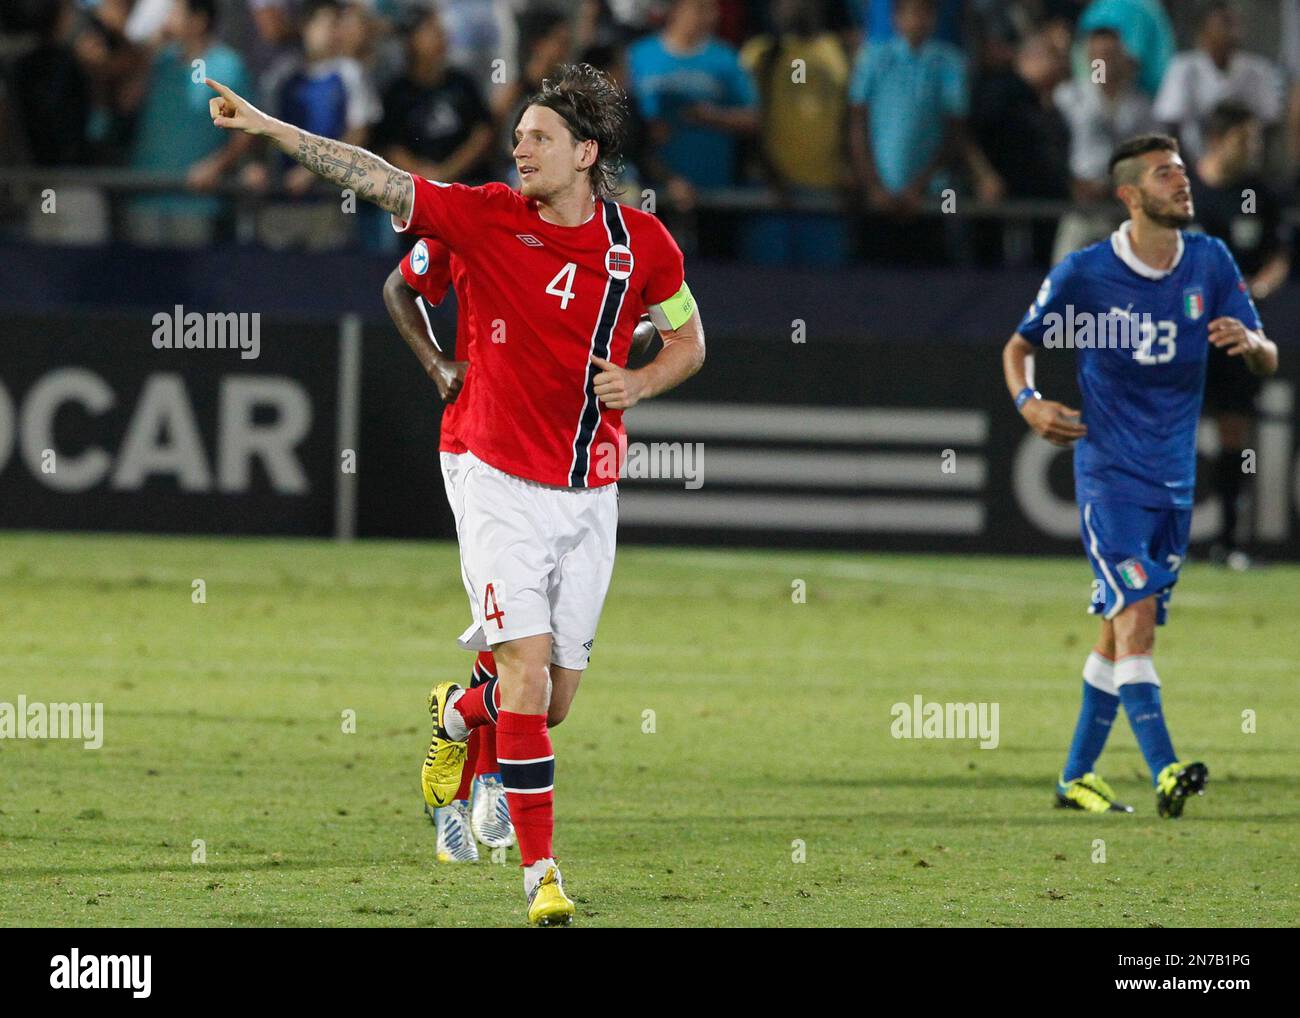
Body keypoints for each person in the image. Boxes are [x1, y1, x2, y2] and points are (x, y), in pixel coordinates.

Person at [205, 62, 706, 925]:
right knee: (525, 674)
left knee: (551, 703)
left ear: (586, 154)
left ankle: (454, 714)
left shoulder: (645, 248)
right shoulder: (483, 217)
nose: (521, 151)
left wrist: (641, 381)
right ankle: (542, 875)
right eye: (517, 139)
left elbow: (690, 340)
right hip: (491, 468)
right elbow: (377, 177)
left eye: (539, 139)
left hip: (588, 488)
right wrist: (270, 127)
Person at [1002, 133, 1277, 817]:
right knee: (1137, 618)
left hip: (1174, 484)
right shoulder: (1087, 274)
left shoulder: (1210, 261)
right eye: (1165, 174)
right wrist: (1029, 403)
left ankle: (1075, 778)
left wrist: (1252, 346)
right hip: (1110, 478)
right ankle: (1166, 771)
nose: (1182, 182)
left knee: (1115, 631)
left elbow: (1268, 354)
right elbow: (1019, 347)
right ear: (1130, 195)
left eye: (1183, 171)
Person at [1190, 102, 1290, 567]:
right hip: (1183, 335)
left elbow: (1278, 255)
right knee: (1170, 433)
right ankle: (1160, 542)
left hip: (1237, 334)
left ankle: (1228, 542)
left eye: (1254, 140)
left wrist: (1261, 287)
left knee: (1234, 432)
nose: (1252, 149)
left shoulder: (1257, 195)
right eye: (1243, 139)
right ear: (1217, 137)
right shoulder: (1185, 190)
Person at [1153, 1, 1284, 163]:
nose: (1232, 31)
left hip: (1245, 162)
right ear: (1203, 32)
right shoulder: (1183, 67)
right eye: (1224, 24)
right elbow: (1170, 123)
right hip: (1194, 160)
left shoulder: (1258, 70)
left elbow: (1270, 123)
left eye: (1235, 24)